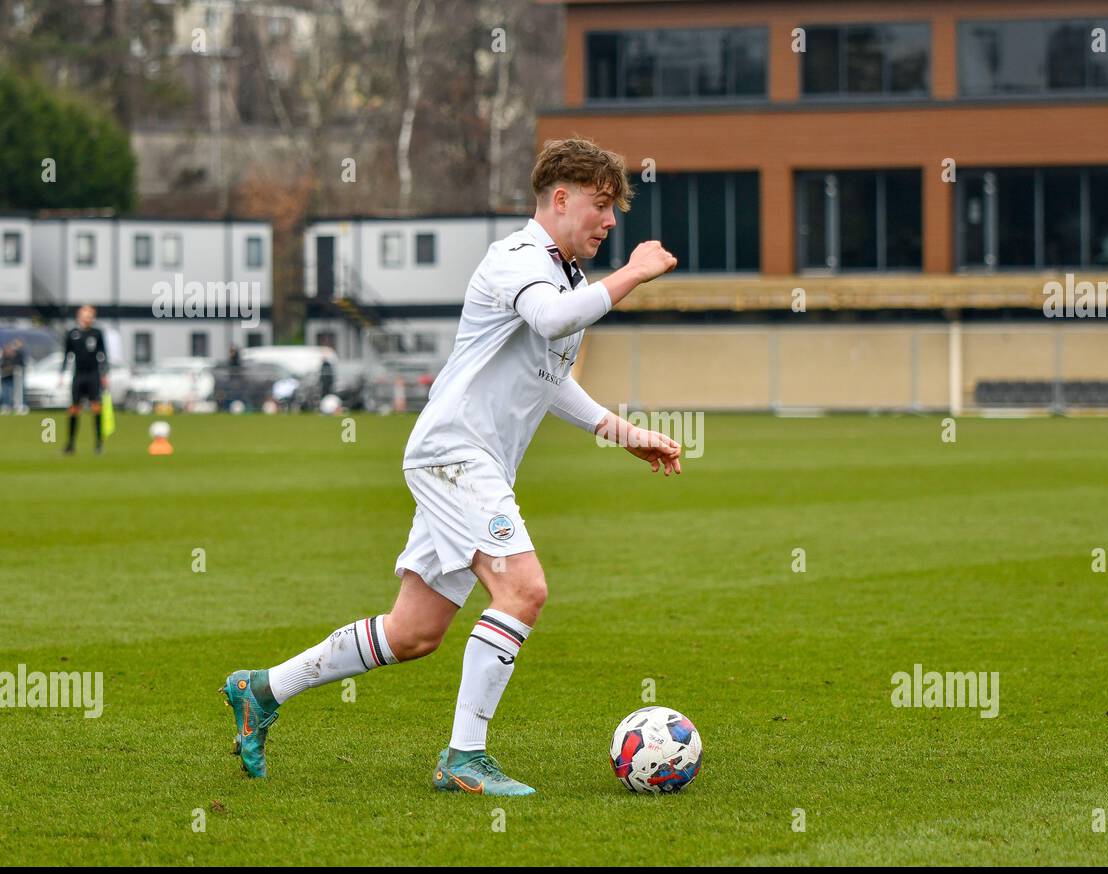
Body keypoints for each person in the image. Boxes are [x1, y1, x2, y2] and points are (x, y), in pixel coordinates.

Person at [221, 138, 681, 794]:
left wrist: (622, 431)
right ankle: (464, 757)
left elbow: (548, 378)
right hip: (455, 454)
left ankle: (262, 689)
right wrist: (632, 273)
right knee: (523, 591)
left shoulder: (566, 278)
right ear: (559, 199)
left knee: (413, 633)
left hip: (468, 461)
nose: (610, 222)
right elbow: (551, 322)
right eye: (600, 206)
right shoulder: (518, 258)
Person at [60, 306, 109, 455]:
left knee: (96, 408)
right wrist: (61, 374)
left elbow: (103, 355)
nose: (87, 318)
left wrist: (104, 374)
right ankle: (70, 444)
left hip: (93, 375)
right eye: (85, 315)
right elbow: (67, 355)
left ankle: (99, 444)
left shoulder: (97, 333)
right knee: (74, 409)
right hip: (79, 375)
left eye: (90, 316)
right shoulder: (72, 334)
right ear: (79, 317)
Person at [1, 339, 26, 412]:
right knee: (6, 391)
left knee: (19, 392)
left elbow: (20, 364)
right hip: (6, 377)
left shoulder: (18, 354)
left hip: (17, 377)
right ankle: (6, 406)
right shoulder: (5, 356)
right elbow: (2, 365)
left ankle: (20, 406)